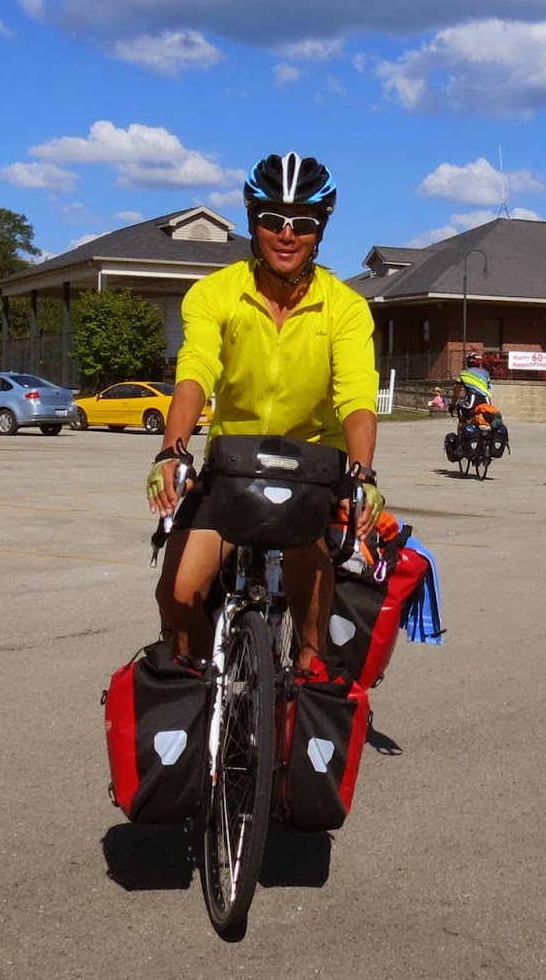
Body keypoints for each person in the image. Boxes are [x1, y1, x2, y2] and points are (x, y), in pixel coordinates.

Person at [145, 152, 382, 670]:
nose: (287, 234)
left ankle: (308, 672)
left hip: (312, 465)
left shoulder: (345, 306)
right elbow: (196, 370)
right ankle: (200, 685)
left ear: (320, 230)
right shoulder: (215, 293)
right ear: (253, 221)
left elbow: (357, 396)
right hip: (235, 462)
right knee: (178, 594)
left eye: (304, 222)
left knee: (309, 577)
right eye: (273, 219)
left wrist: (363, 474)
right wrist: (171, 451)